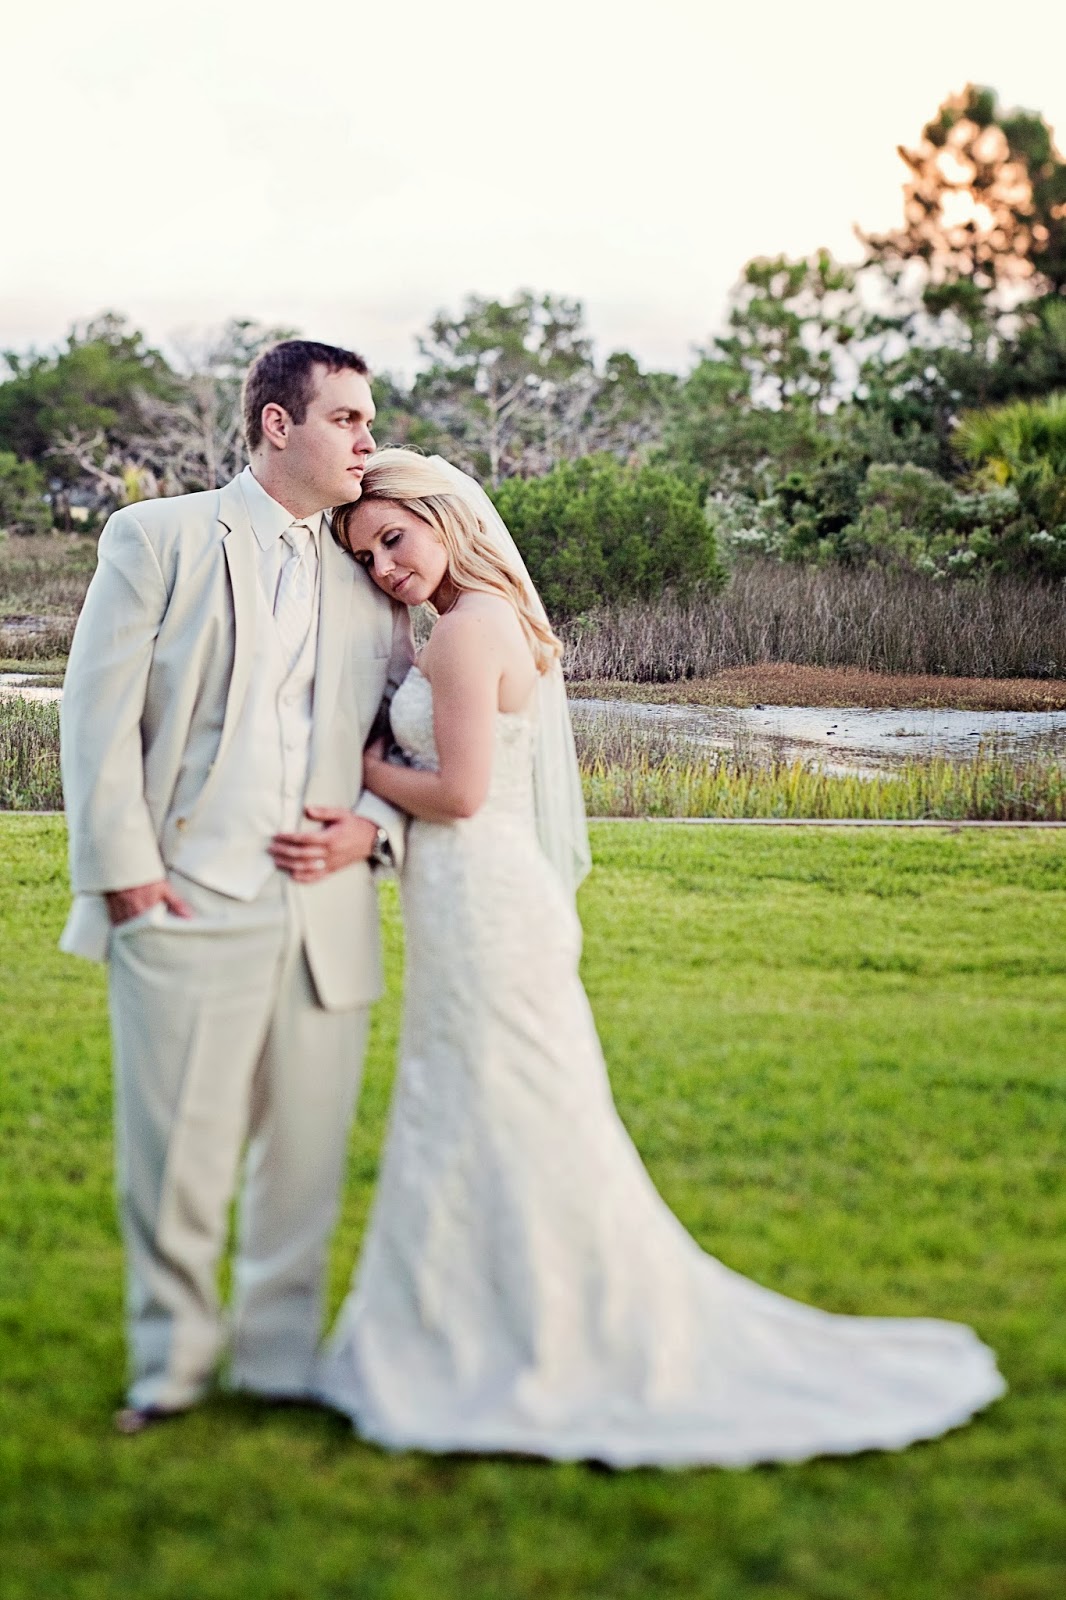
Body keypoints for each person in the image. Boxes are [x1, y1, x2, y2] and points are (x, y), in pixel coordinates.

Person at [315, 448, 1005, 1468]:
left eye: (392, 539)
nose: (384, 566)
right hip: (484, 901)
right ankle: (491, 1316)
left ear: (445, 520)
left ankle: (517, 1333)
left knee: (492, 1105)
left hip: (482, 900)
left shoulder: (465, 634)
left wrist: (365, 762)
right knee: (492, 1107)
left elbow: (458, 794)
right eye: (367, 554)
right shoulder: (488, 623)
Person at [59, 341, 412, 1433]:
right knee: (176, 1158)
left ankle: (275, 1358)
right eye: (347, 419)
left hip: (323, 911)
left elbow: (422, 725)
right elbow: (95, 715)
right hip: (187, 899)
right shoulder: (155, 536)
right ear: (275, 423)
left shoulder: (375, 565)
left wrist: (377, 827)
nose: (367, 440)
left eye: (367, 422)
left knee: (304, 1153)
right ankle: (169, 1365)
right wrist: (126, 881)